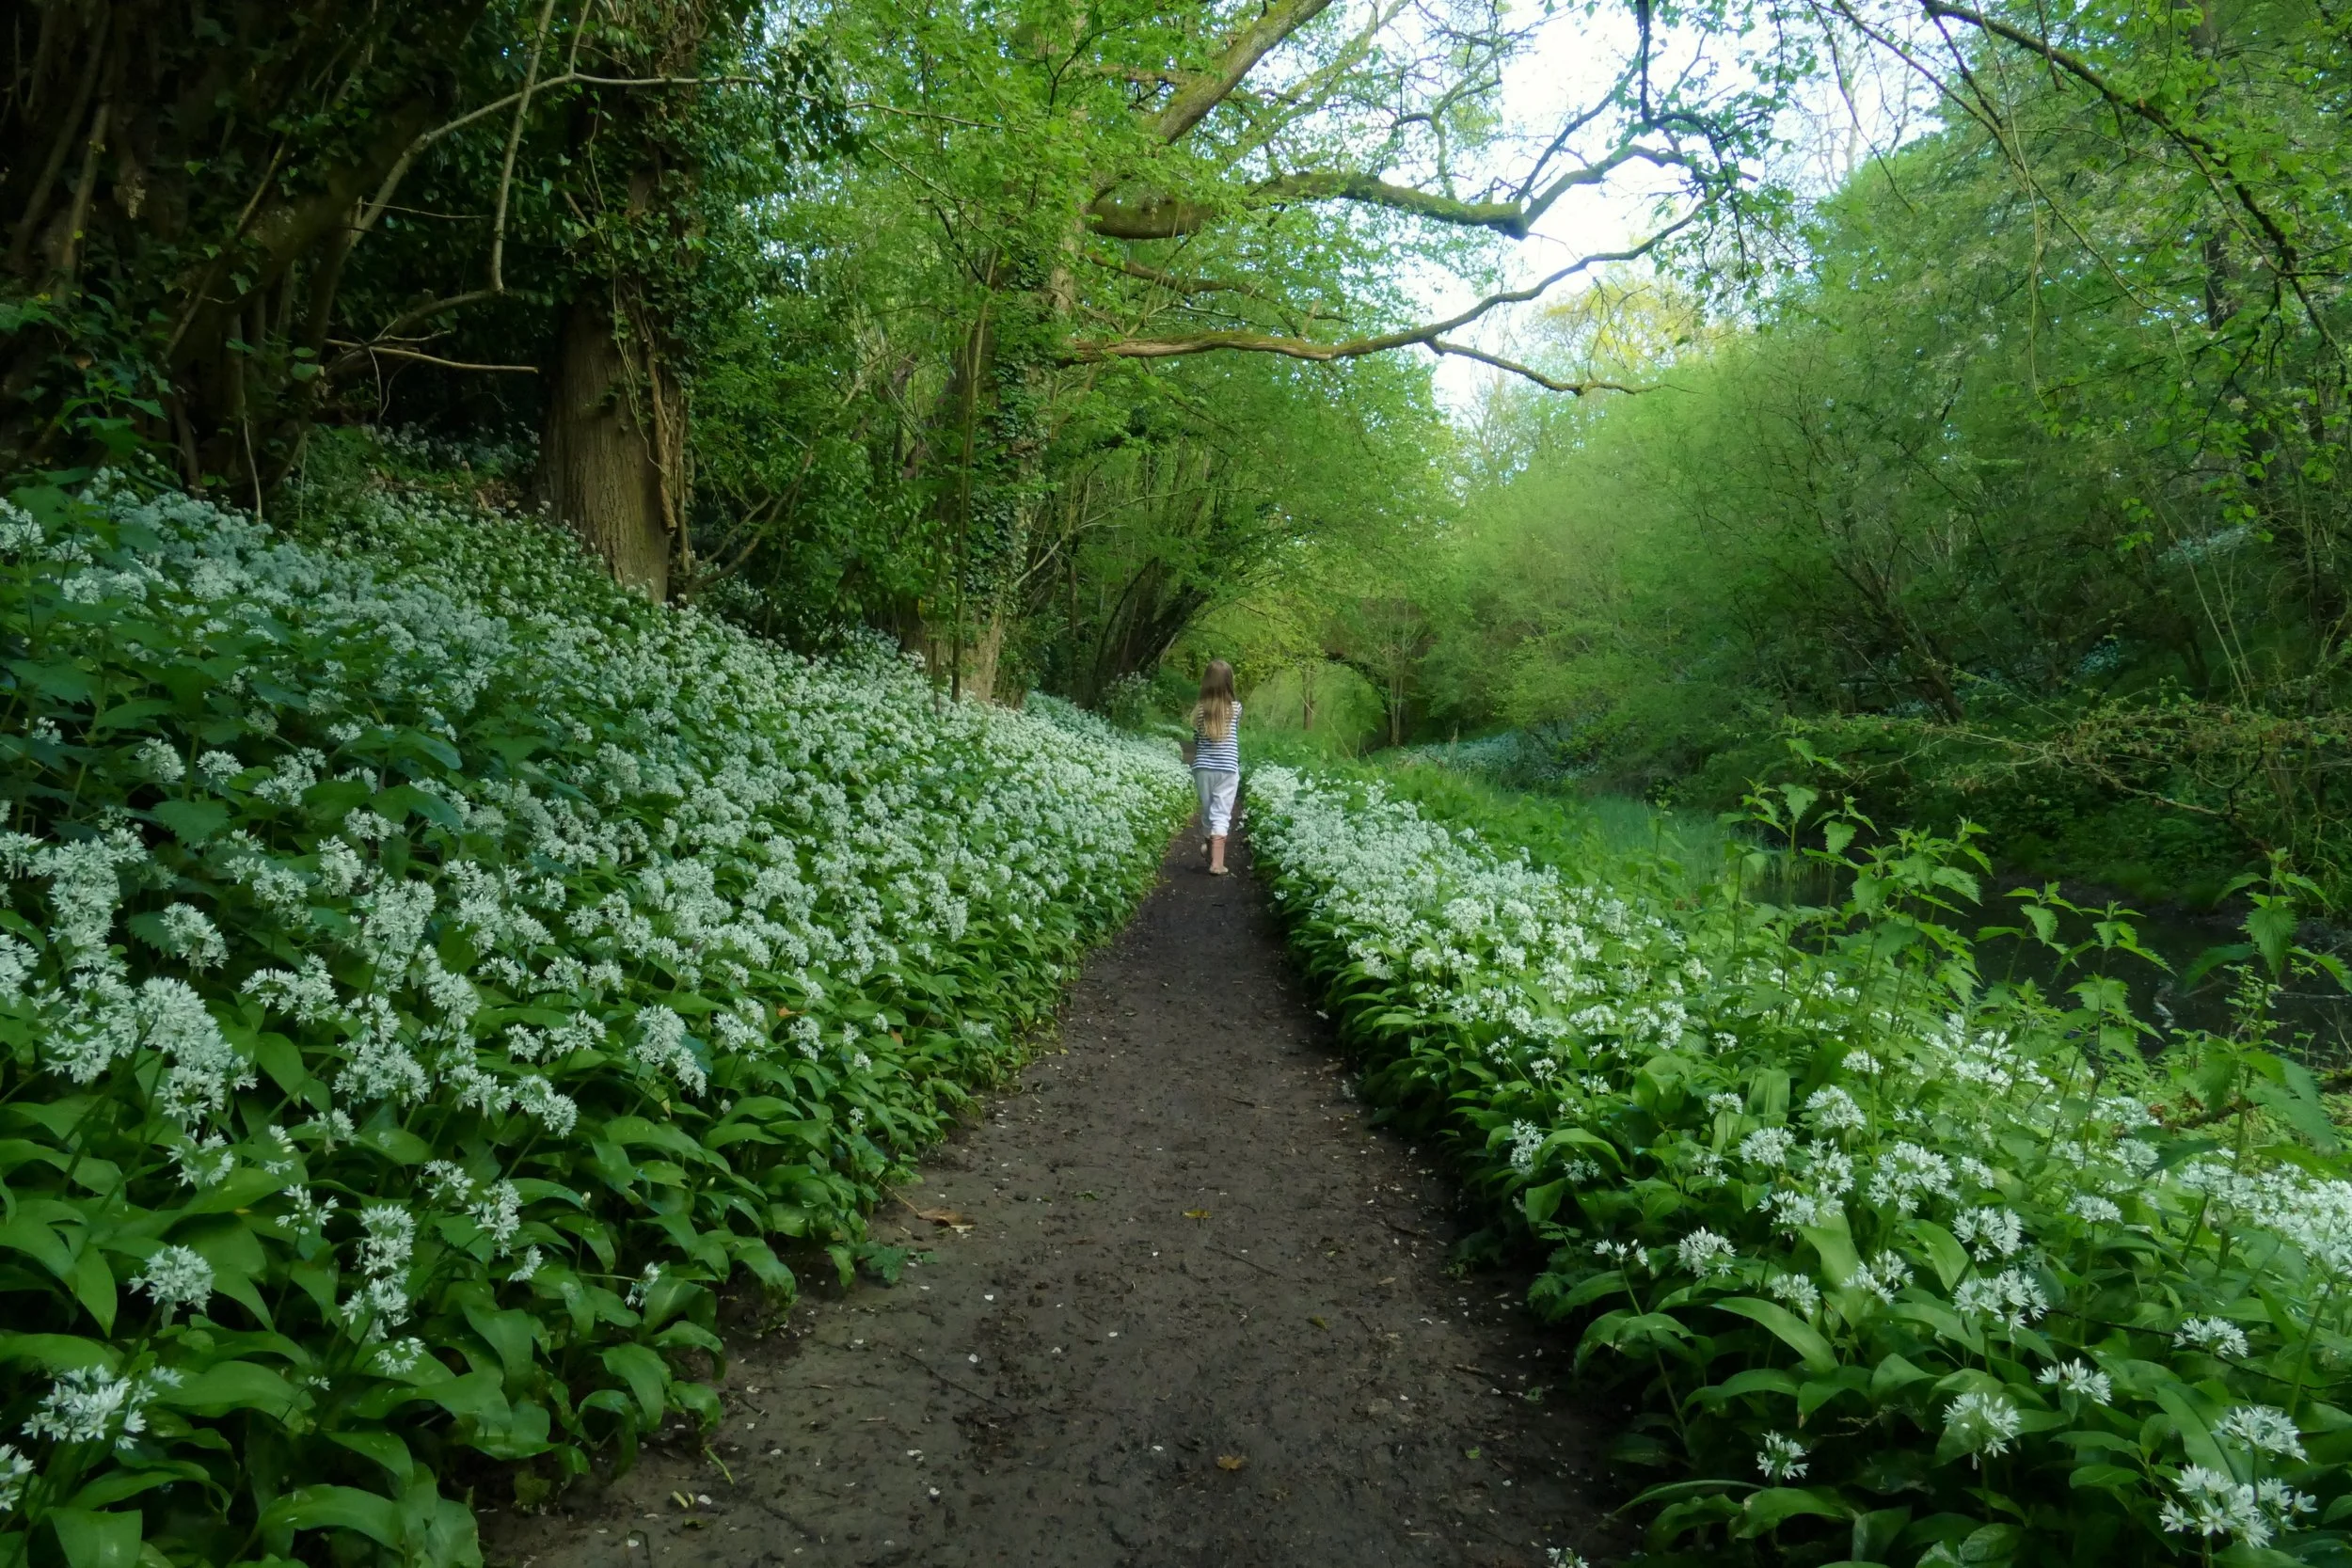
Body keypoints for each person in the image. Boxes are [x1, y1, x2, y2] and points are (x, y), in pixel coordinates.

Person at [1189, 660, 1242, 876]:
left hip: (1203, 769)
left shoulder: (1200, 711)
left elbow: (1196, 739)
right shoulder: (1236, 709)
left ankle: (1210, 850)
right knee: (1221, 814)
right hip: (1227, 769)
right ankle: (1217, 864)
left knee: (1209, 812)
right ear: (1229, 683)